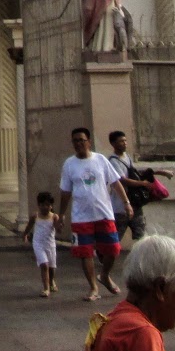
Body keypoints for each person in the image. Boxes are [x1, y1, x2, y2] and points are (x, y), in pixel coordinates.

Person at [57, 126, 131, 302]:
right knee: (85, 252)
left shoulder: (101, 160)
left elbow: (116, 183)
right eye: (75, 141)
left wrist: (126, 203)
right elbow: (65, 192)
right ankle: (93, 287)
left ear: (89, 142)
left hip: (104, 213)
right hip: (81, 217)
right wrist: (61, 215)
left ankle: (104, 275)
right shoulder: (69, 164)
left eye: (82, 140)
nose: (79, 144)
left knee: (113, 249)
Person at [108, 130, 174, 244]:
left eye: (125, 140)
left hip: (135, 203)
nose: (124, 143)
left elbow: (136, 174)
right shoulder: (113, 161)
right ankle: (103, 255)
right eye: (121, 141)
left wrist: (159, 172)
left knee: (141, 237)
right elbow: (123, 180)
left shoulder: (126, 157)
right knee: (115, 238)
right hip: (120, 207)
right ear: (113, 144)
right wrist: (143, 184)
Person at [22, 190, 60, 298]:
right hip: (38, 244)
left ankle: (51, 281)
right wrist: (25, 234)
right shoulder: (35, 216)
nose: (45, 207)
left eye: (48, 205)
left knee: (52, 267)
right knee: (44, 265)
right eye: (42, 205)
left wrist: (60, 223)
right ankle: (46, 288)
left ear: (51, 206)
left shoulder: (54, 217)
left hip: (50, 244)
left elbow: (58, 229)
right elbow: (29, 226)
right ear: (39, 205)